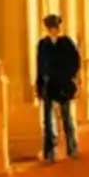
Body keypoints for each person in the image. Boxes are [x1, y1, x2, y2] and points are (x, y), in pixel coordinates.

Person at [35, 14, 80, 162]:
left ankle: (72, 147)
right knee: (47, 120)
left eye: (55, 28)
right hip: (49, 85)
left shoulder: (66, 43)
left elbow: (75, 61)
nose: (53, 31)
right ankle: (50, 152)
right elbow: (39, 66)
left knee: (67, 117)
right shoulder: (43, 44)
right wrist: (39, 84)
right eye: (51, 28)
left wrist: (69, 75)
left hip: (63, 85)